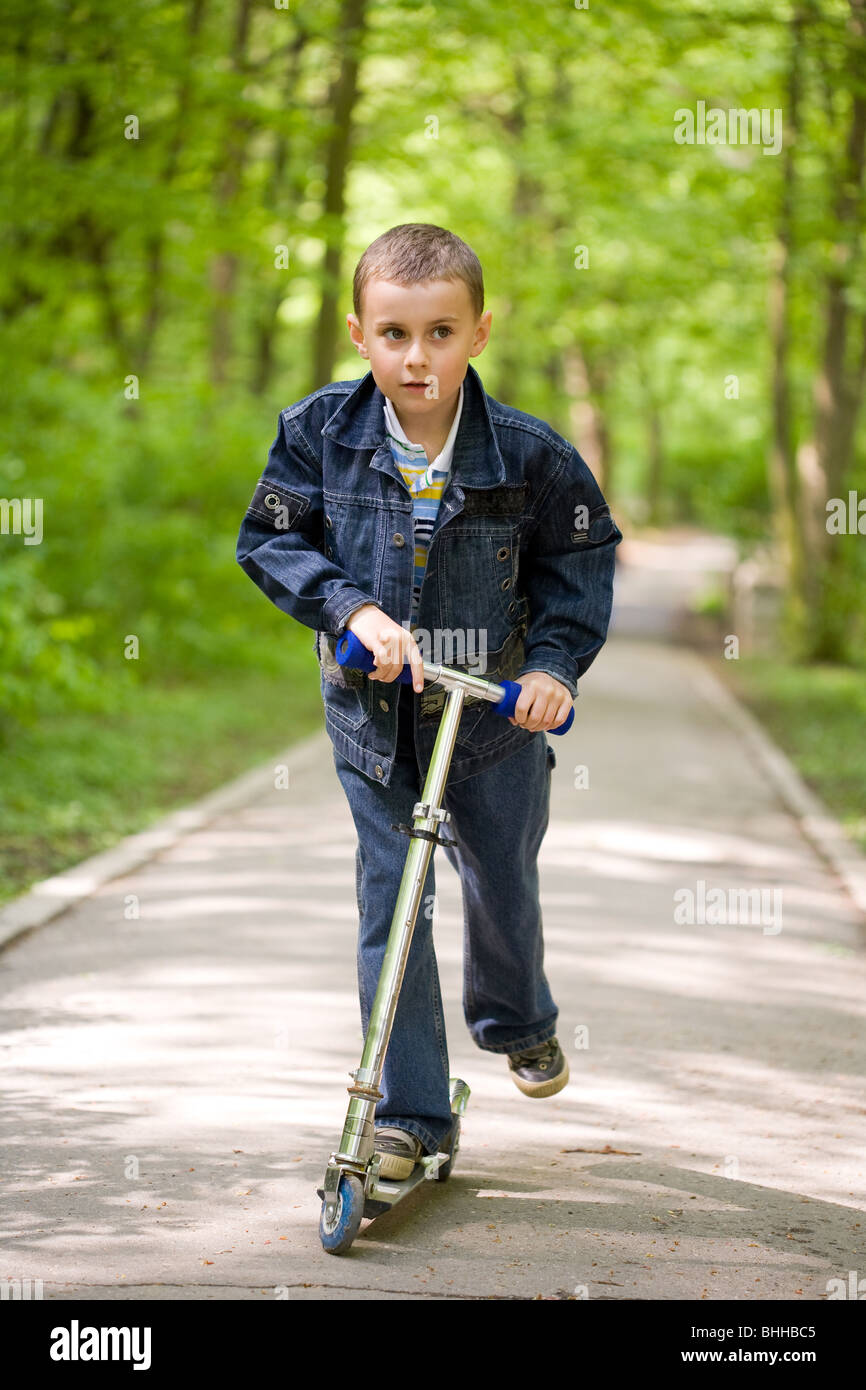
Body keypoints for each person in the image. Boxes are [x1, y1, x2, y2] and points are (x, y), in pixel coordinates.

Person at [236, 223, 622, 1180]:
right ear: (360, 335)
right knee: (394, 900)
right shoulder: (316, 432)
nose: (418, 357)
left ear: (479, 333)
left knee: (501, 876)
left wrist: (554, 670)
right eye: (396, 333)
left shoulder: (530, 456)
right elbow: (272, 540)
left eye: (441, 333)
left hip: (490, 720)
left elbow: (577, 564)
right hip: (371, 720)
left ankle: (519, 1017)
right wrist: (349, 608)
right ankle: (408, 1116)